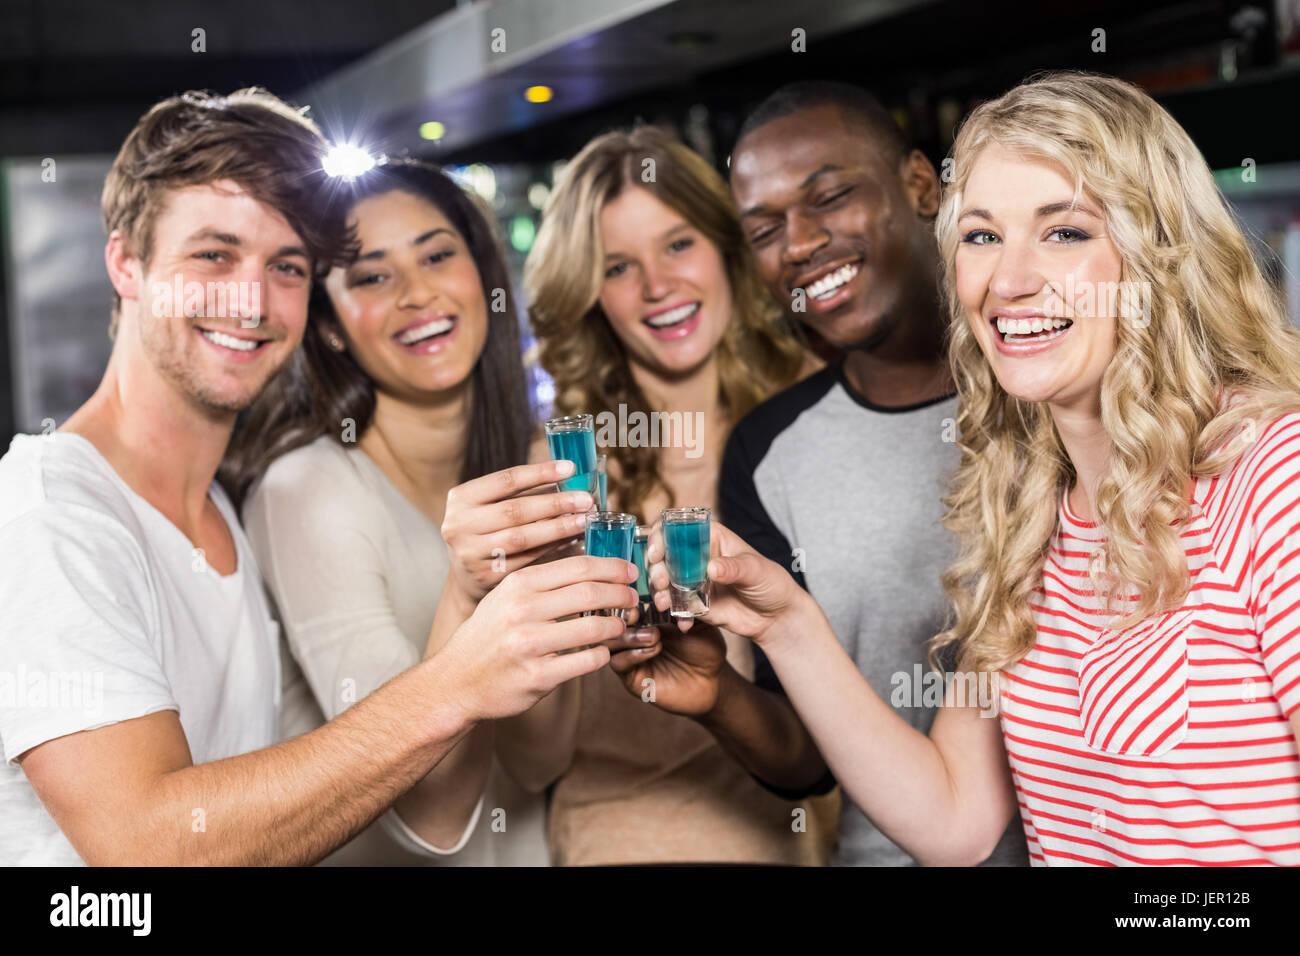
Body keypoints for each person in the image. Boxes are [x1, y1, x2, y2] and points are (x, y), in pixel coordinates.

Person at [645, 71, 1300, 866]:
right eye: (983, 237)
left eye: (1065, 232)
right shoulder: (1030, 515)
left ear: (1158, 255)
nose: (1009, 280)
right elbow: (954, 816)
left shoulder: (1273, 476)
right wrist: (785, 620)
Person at [0, 89, 631, 866]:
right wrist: (458, 680)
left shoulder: (216, 510)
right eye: (214, 254)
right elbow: (148, 847)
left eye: (287, 266)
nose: (252, 299)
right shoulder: (51, 513)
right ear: (127, 263)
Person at [621, 81, 1028, 865]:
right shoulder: (770, 450)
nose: (799, 243)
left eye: (830, 196)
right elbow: (807, 760)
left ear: (919, 184)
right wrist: (719, 698)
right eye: (765, 228)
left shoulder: (1048, 390)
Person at [224, 158, 597, 865]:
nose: (417, 293)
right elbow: (432, 812)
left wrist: (549, 579)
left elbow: (541, 759)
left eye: (436, 256)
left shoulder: (528, 462)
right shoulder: (306, 491)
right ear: (329, 327)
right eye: (372, 276)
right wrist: (475, 592)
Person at [523, 125, 835, 865]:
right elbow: (531, 753)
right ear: (590, 293)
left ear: (728, 250)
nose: (657, 286)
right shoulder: (566, 472)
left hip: (820, 830)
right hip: (631, 832)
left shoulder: (820, 418)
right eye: (618, 265)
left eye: (678, 244)